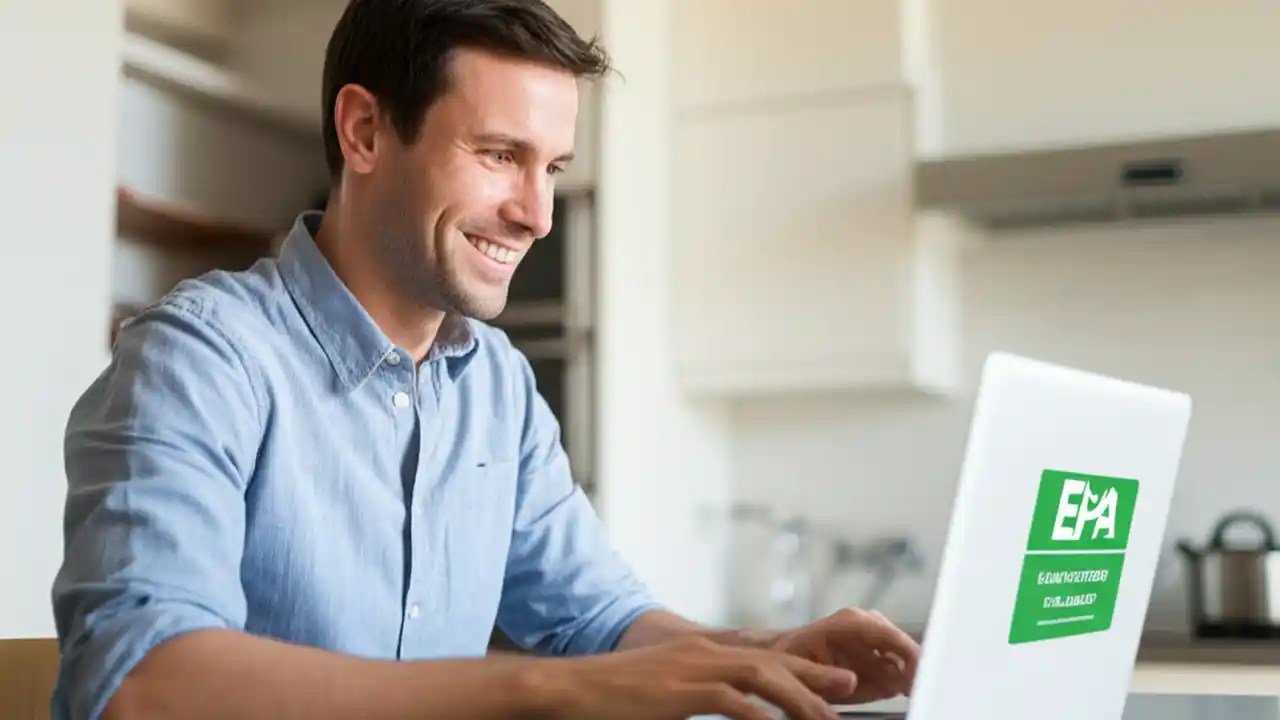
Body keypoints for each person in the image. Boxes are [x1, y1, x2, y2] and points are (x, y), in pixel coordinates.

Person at [51, 1, 921, 719]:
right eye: (500, 156)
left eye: (553, 168)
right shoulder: (199, 360)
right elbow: (142, 683)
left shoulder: (496, 386)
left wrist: (768, 652)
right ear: (364, 131)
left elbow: (601, 618)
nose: (537, 214)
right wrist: (543, 690)